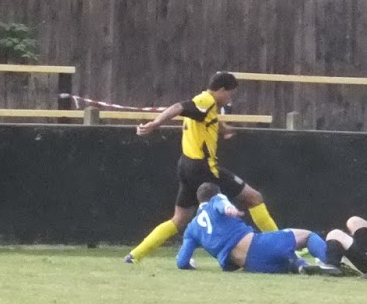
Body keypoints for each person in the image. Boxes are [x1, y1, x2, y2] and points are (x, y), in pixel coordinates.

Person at [126, 71, 279, 263]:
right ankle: (282, 245)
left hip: (186, 166)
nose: (230, 99)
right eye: (230, 94)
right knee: (254, 198)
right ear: (222, 90)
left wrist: (224, 130)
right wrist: (155, 124)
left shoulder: (207, 105)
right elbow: (177, 107)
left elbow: (208, 118)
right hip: (203, 168)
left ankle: (135, 255)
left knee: (179, 219)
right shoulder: (205, 101)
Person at [176, 183, 336, 274]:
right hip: (256, 245)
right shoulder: (216, 199)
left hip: (250, 265)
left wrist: (190, 264)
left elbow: (182, 261)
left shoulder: (191, 229)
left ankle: (301, 265)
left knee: (287, 260)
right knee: (308, 236)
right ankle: (332, 264)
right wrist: (228, 209)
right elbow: (221, 205)